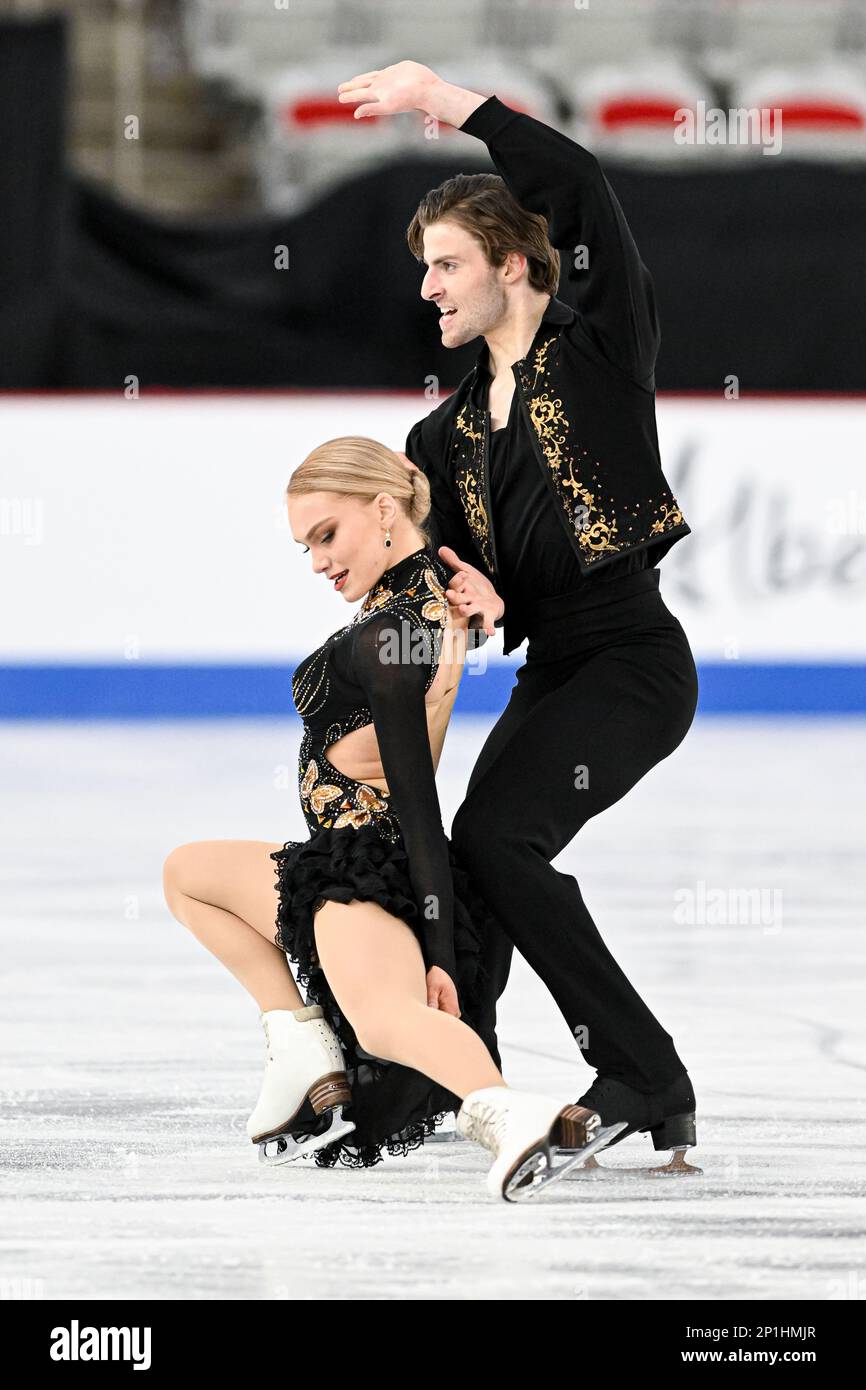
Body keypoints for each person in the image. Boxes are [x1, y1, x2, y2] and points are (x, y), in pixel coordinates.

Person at [335, 61, 702, 1172]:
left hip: (632, 661)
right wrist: (456, 595)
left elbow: (582, 185)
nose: (428, 289)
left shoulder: (595, 350)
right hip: (556, 670)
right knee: (477, 850)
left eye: (447, 266)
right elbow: (446, 581)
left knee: (501, 839)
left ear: (510, 267)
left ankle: (643, 1070)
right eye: (422, 270)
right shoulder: (434, 444)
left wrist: (451, 105)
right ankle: (455, 1068)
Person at [162, 437, 625, 1201]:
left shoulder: (391, 634)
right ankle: (302, 1047)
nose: (318, 562)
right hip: (346, 858)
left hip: (370, 868)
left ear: (381, 511)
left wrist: (442, 948)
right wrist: (490, 600)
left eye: (326, 536)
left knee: (383, 1023)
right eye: (306, 545)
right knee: (189, 873)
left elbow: (418, 799)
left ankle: (514, 1118)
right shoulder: (428, 599)